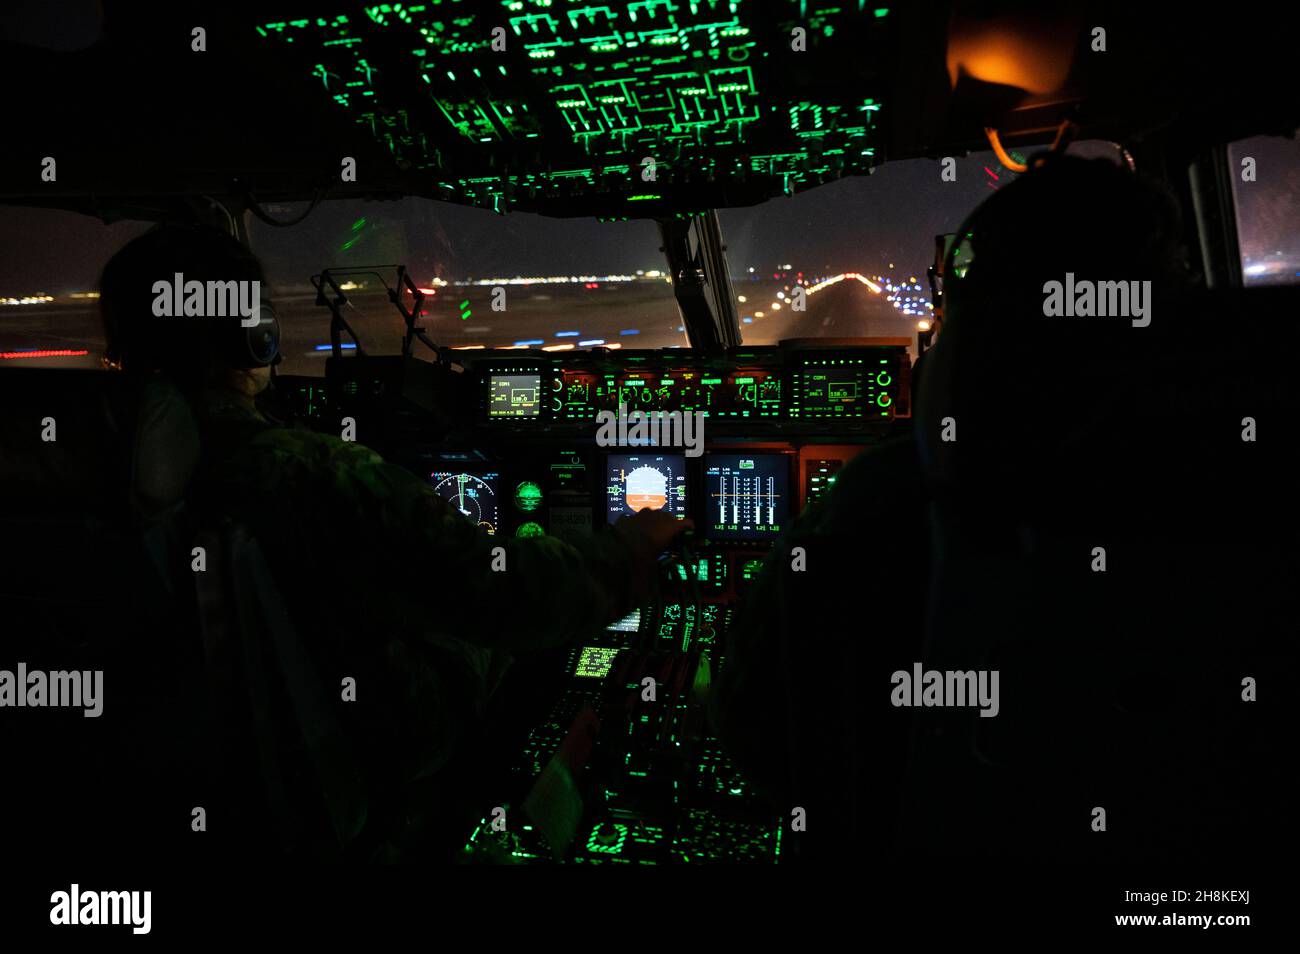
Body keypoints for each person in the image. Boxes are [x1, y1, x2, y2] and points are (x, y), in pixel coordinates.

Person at [98, 223, 690, 861]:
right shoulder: (307, 470)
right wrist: (629, 547)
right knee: (527, 647)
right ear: (254, 336)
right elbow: (506, 592)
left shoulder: (99, 474)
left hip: (190, 775)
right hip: (361, 742)